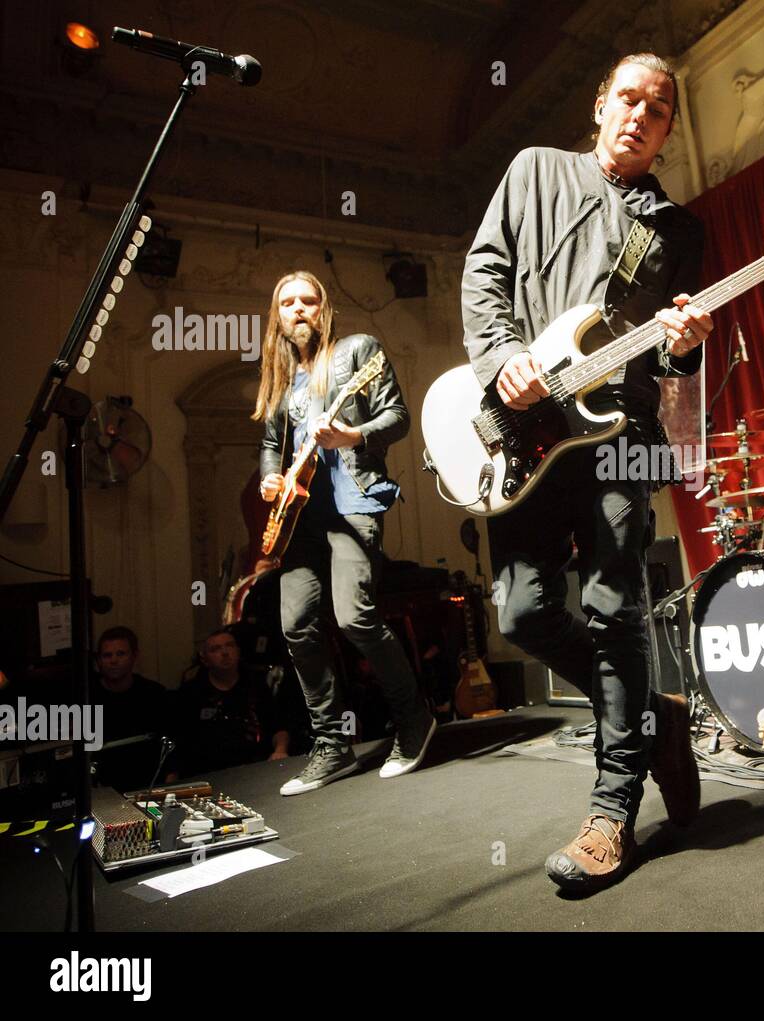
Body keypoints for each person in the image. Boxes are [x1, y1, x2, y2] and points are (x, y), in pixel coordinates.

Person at [462, 53, 710, 892]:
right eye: (629, 98)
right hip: (530, 431)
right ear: (600, 102)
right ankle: (650, 715)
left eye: (661, 108)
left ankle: (613, 807)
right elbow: (484, 270)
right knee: (522, 612)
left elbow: (669, 368)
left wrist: (684, 349)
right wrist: (501, 357)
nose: (642, 114)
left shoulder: (675, 230)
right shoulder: (536, 170)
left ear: (669, 129)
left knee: (614, 608)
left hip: (620, 431)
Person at [255, 270, 436, 795]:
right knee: (295, 625)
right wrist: (271, 476)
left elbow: (398, 417)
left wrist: (351, 434)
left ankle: (415, 719)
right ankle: (332, 746)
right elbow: (271, 443)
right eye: (287, 302)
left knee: (355, 616)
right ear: (278, 316)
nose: (298, 309)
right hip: (299, 517)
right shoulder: (279, 381)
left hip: (352, 502)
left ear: (324, 307)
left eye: (308, 300)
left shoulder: (358, 351)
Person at [171, 628, 290, 777]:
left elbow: (278, 727)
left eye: (230, 645)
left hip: (254, 768)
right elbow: (179, 741)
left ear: (238, 651)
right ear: (204, 659)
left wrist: (280, 750)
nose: (225, 652)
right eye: (216, 649)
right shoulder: (191, 692)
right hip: (207, 773)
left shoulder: (256, 685)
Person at [90, 626, 170, 792]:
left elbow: (172, 749)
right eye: (107, 655)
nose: (113, 660)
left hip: (149, 787)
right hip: (101, 790)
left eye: (121, 654)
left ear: (135, 656)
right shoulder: (87, 698)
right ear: (98, 661)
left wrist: (168, 789)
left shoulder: (154, 694)